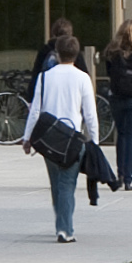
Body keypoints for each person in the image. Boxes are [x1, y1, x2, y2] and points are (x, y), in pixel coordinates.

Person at [26, 33, 102, 242]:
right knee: (67, 184)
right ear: (76, 54)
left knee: (56, 183)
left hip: (49, 137)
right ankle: (65, 229)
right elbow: (90, 114)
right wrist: (94, 141)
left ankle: (61, 223)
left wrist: (27, 137)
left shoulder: (45, 77)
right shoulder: (83, 78)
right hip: (72, 139)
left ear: (57, 53)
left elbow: (35, 110)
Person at [101, 20, 132, 191]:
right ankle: (128, 179)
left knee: (121, 135)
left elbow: (110, 74)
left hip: (116, 98)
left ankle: (120, 175)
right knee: (131, 138)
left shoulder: (111, 52)